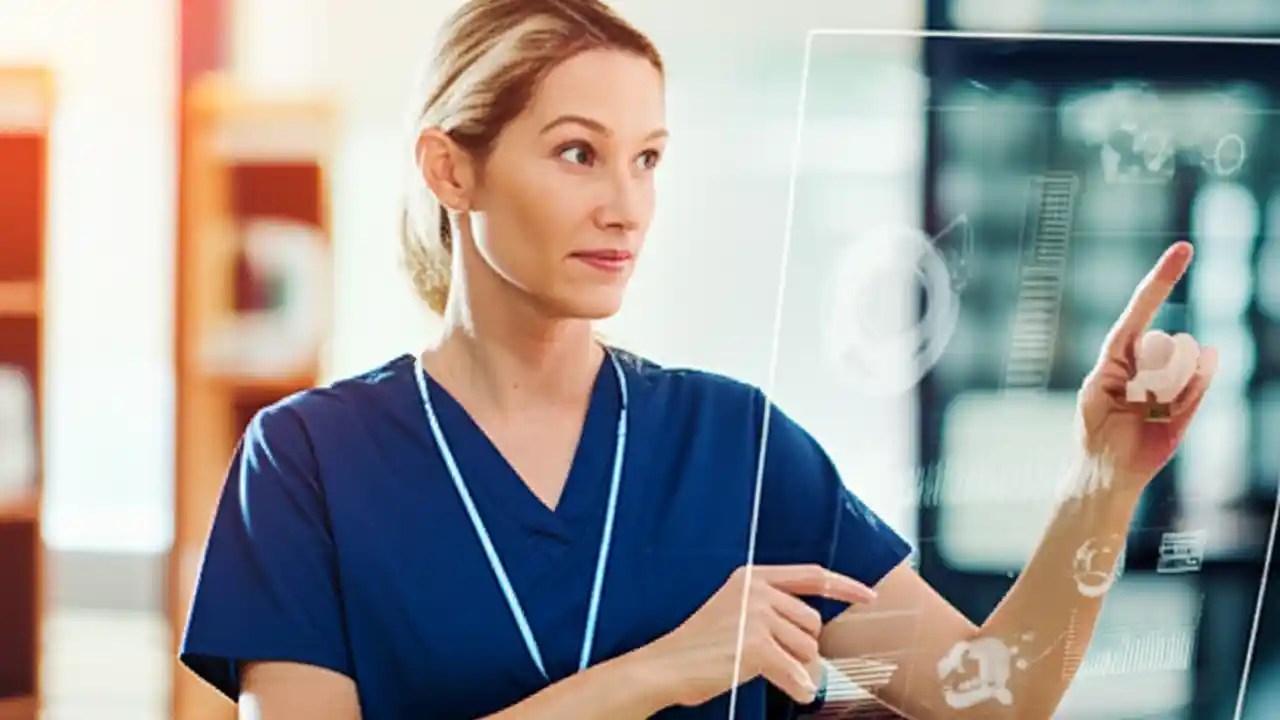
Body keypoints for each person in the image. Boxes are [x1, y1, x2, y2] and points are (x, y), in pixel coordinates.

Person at [177, 0, 1220, 718]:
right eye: (576, 152)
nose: (624, 205)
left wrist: (1103, 476)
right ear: (451, 168)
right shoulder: (308, 463)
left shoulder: (735, 447)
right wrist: (663, 671)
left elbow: (989, 693)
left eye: (647, 159)